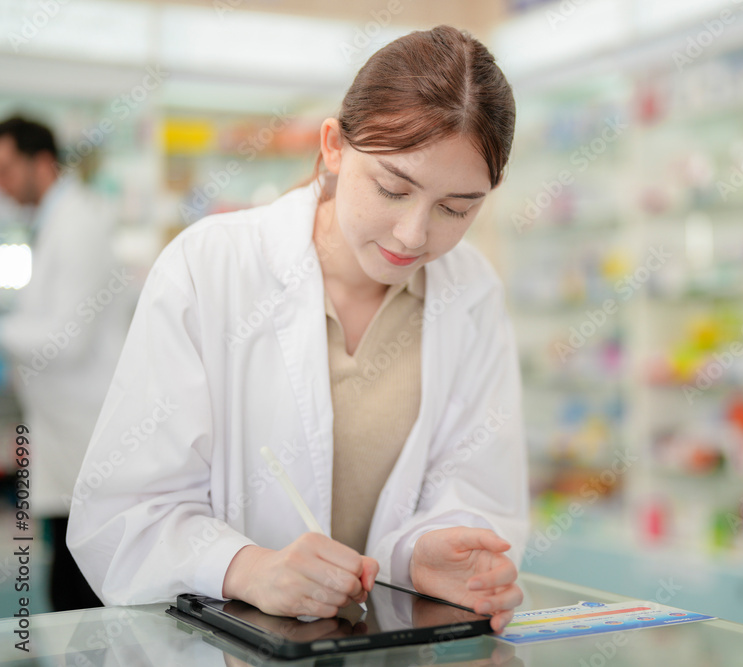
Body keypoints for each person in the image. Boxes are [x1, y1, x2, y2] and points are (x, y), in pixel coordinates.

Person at [67, 25, 529, 632]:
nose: (415, 234)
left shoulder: (471, 291)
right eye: (393, 188)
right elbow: (123, 512)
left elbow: (478, 489)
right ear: (334, 147)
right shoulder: (211, 266)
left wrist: (422, 557)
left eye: (456, 208)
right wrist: (245, 566)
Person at [0, 116, 132, 610]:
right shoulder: (55, 221)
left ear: (42, 162)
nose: (3, 182)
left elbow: (65, 337)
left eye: (8, 168)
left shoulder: (77, 223)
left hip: (85, 434)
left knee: (81, 592)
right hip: (64, 434)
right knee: (67, 579)